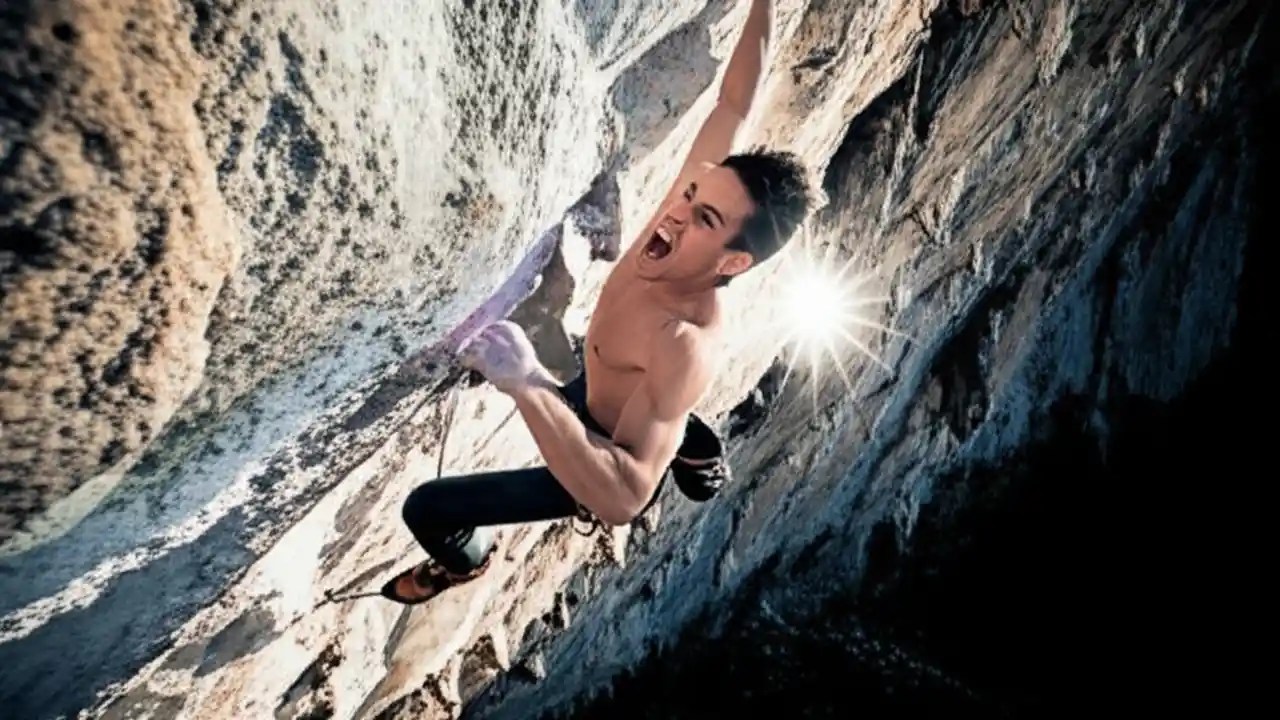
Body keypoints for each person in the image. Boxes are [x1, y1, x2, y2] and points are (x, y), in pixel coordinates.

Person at [382, 0, 812, 605]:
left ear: (733, 263)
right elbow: (735, 103)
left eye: (705, 218)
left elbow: (624, 499)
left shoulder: (682, 343)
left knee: (426, 508)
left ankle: (464, 562)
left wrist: (527, 383)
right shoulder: (685, 216)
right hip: (606, 378)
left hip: (598, 452)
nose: (675, 212)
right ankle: (685, 438)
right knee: (608, 365)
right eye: (691, 192)